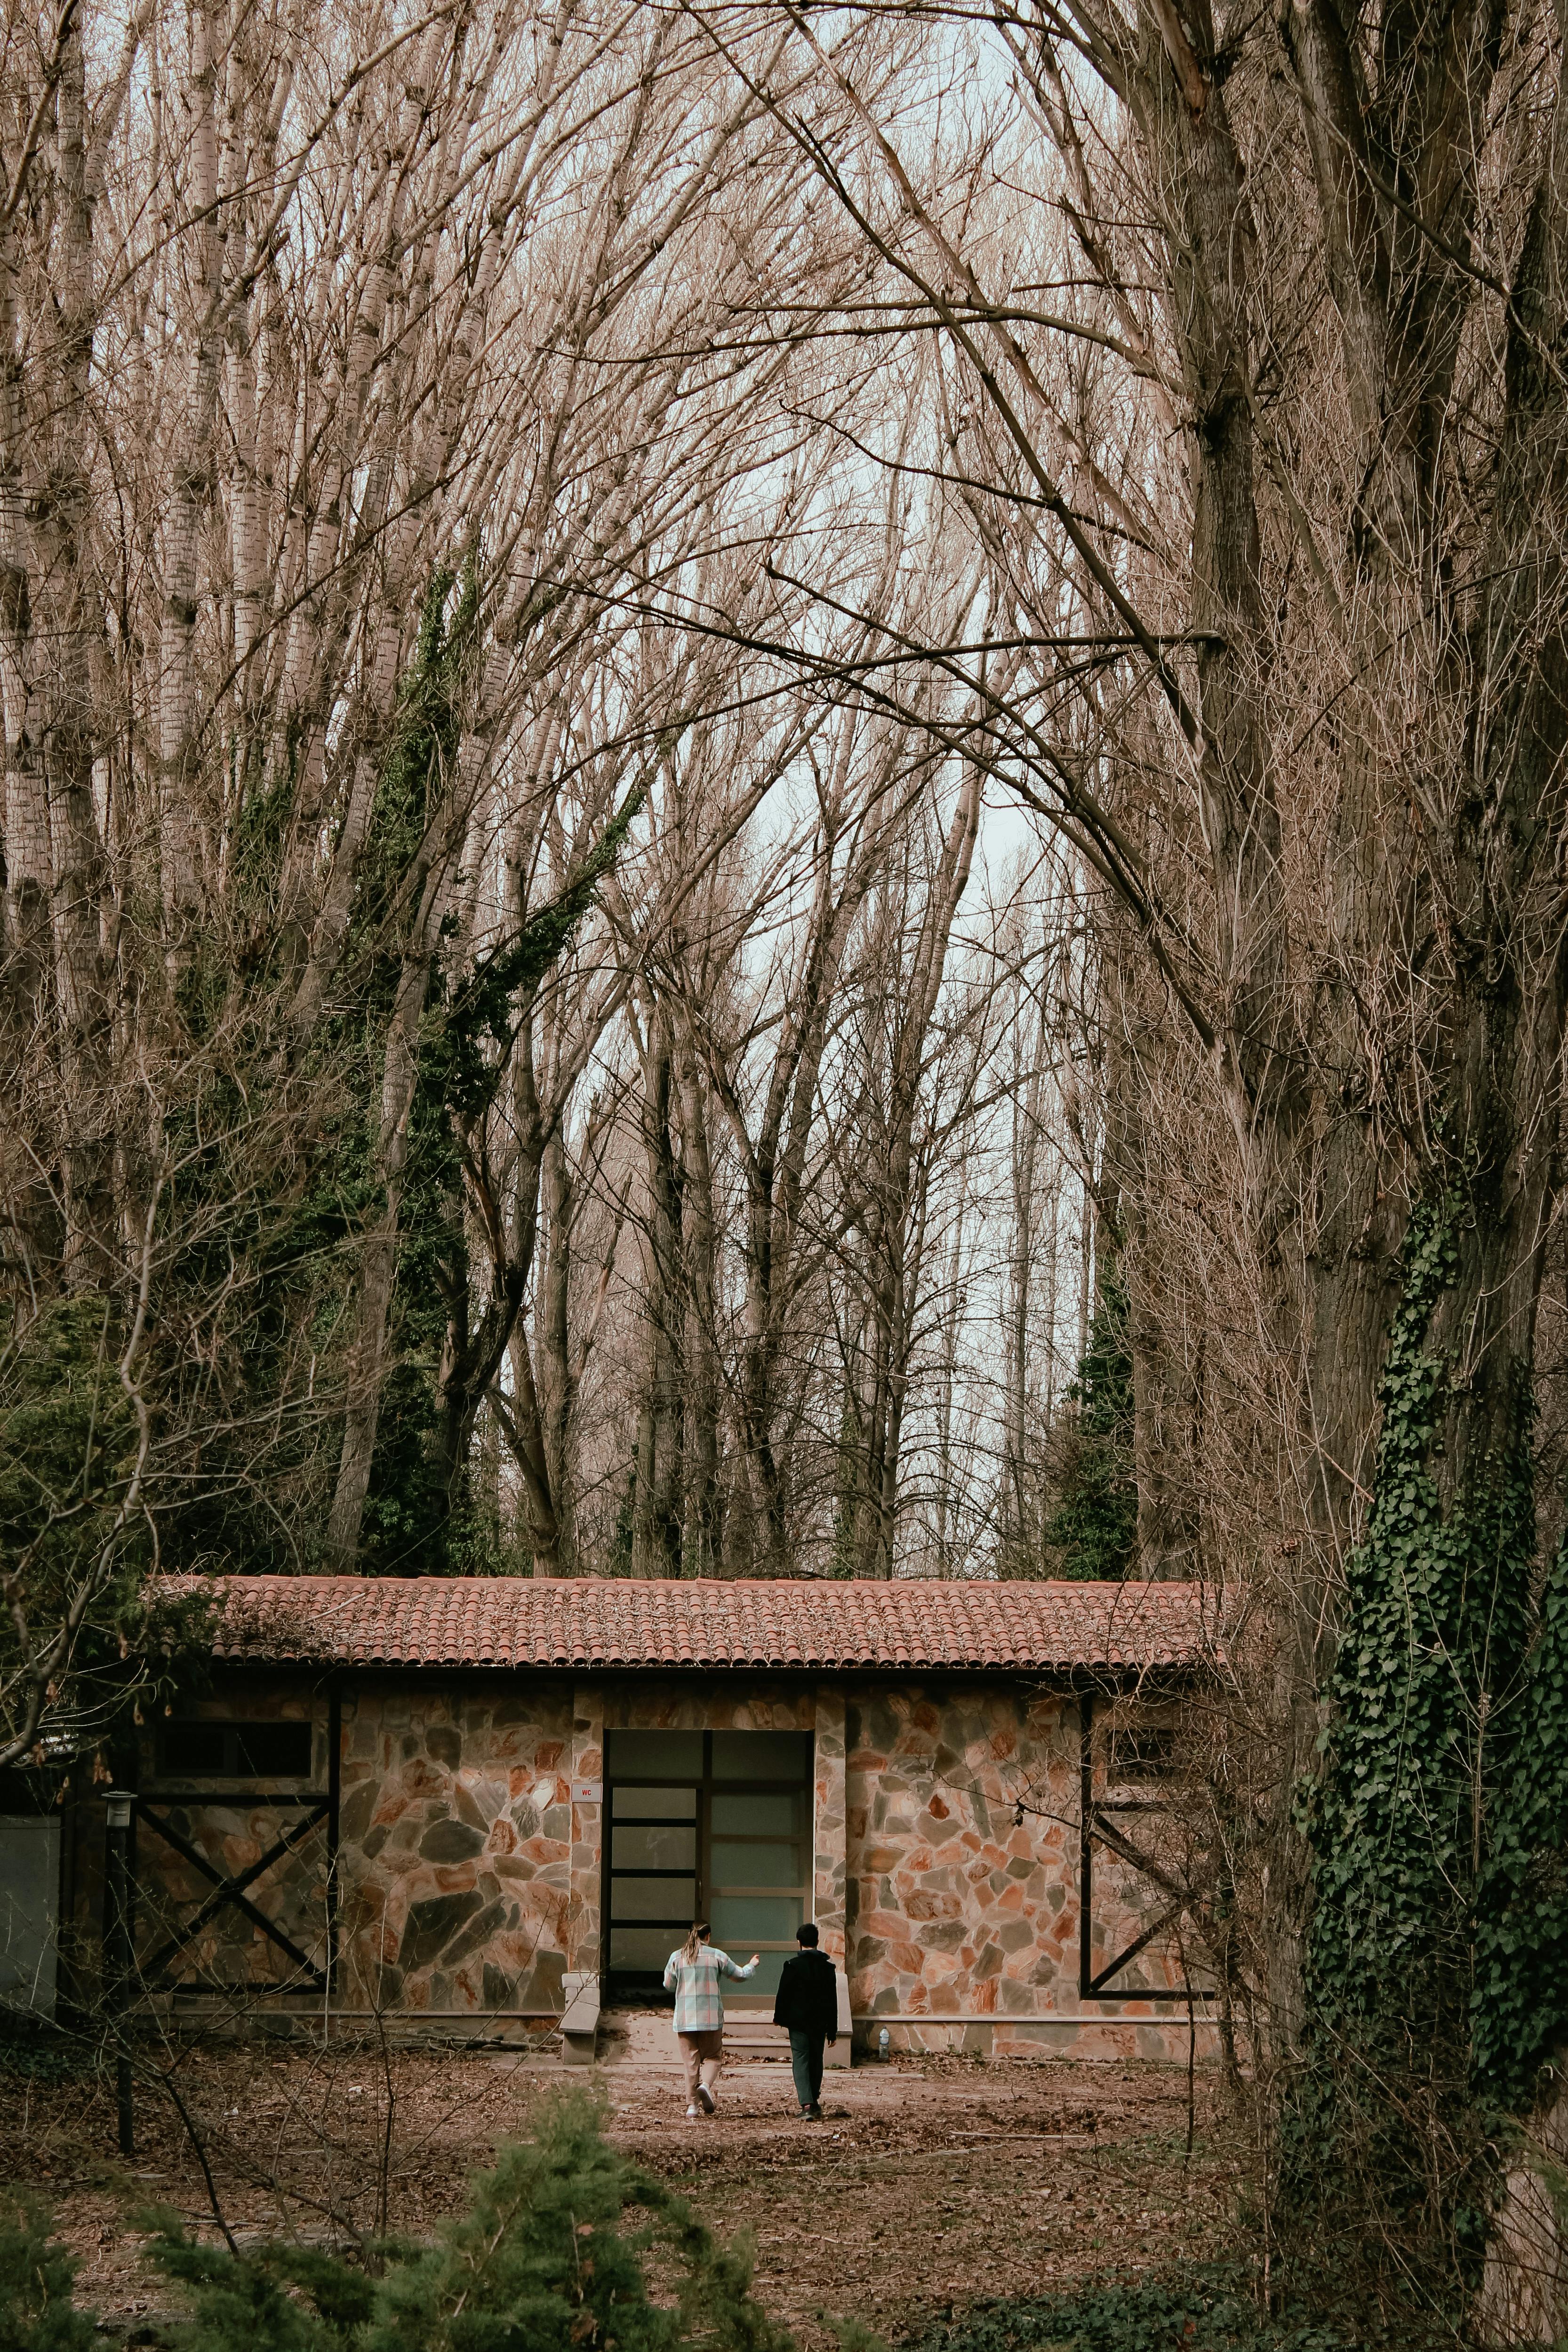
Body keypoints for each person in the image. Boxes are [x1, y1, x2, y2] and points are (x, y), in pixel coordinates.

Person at [663, 1923, 760, 2118]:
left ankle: (692, 2107)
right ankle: (705, 2085)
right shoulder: (717, 1956)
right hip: (710, 2018)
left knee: (691, 2062)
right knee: (713, 2057)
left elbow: (668, 1984)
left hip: (685, 2018)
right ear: (708, 1936)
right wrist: (752, 1965)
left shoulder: (677, 1957)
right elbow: (739, 1976)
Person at [772, 1921, 838, 2120]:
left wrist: (779, 2018)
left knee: (801, 2060)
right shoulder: (828, 1969)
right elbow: (832, 2000)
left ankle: (807, 2104)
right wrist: (833, 2030)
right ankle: (815, 2101)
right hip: (820, 2023)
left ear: (799, 1942)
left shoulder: (793, 1966)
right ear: (818, 1941)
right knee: (817, 2061)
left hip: (798, 2023)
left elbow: (783, 1994)